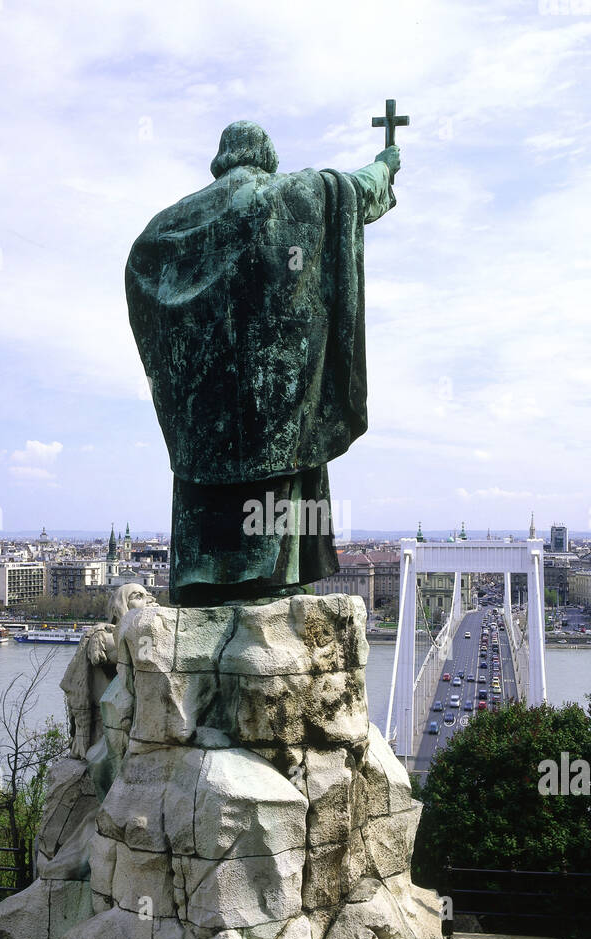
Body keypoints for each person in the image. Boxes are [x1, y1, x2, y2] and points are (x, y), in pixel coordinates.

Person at [126, 120, 401, 606]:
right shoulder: (293, 195)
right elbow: (353, 192)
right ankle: (276, 577)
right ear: (265, 158)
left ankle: (205, 579)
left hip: (204, 428)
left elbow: (141, 266)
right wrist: (385, 165)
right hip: (274, 407)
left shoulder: (170, 227)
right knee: (298, 441)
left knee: (207, 494)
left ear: (221, 160)